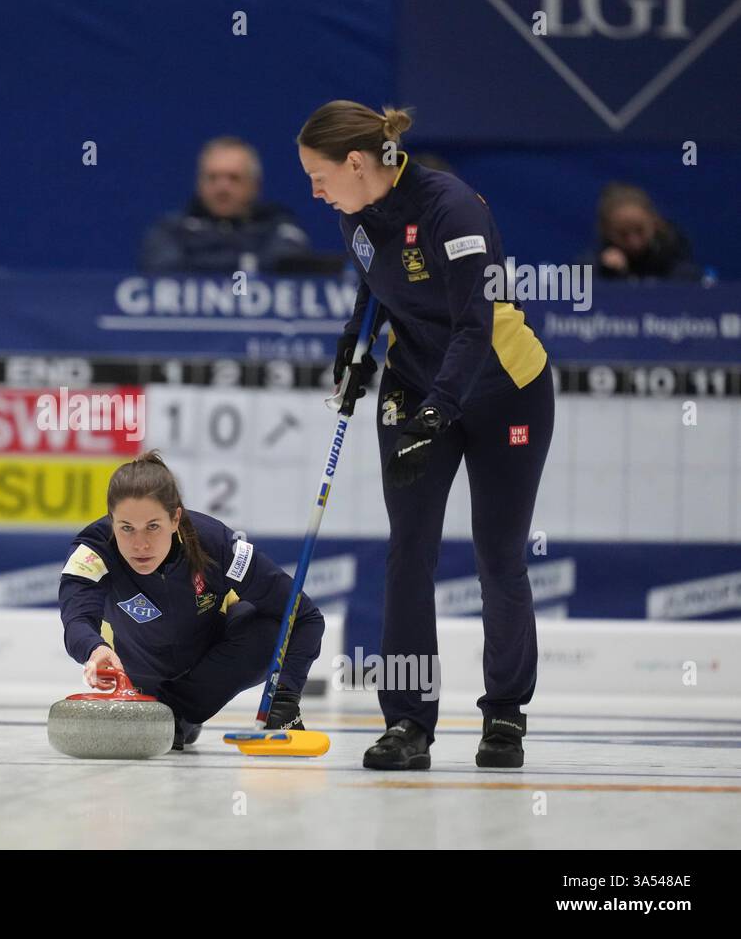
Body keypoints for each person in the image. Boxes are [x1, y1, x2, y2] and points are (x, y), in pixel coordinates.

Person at [297, 101, 553, 770]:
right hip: (415, 384)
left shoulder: (453, 208)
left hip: (505, 390)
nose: (313, 192)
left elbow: (473, 325)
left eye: (318, 176)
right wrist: (352, 352)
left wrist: (438, 415)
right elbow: (374, 288)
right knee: (409, 552)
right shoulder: (355, 213)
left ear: (357, 163)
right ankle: (408, 725)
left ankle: (504, 716)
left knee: (498, 556)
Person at [58, 451, 325, 750]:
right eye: (126, 528)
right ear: (111, 521)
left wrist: (285, 698)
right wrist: (95, 649)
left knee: (273, 625)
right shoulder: (92, 552)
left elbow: (304, 616)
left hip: (211, 667)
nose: (140, 544)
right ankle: (174, 716)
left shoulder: (217, 545)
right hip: (143, 682)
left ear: (175, 519)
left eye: (153, 526)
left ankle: (178, 714)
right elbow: (77, 619)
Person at [138, 136, 335, 274]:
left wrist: (200, 262)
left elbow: (287, 266)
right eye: (212, 178)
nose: (222, 187)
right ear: (199, 184)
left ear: (254, 185)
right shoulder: (170, 230)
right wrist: (247, 263)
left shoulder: (279, 227)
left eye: (234, 178)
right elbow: (164, 272)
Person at [582, 182, 700, 282]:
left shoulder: (678, 266)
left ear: (654, 222)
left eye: (640, 230)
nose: (634, 241)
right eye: (622, 234)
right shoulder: (589, 271)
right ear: (606, 231)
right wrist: (611, 276)